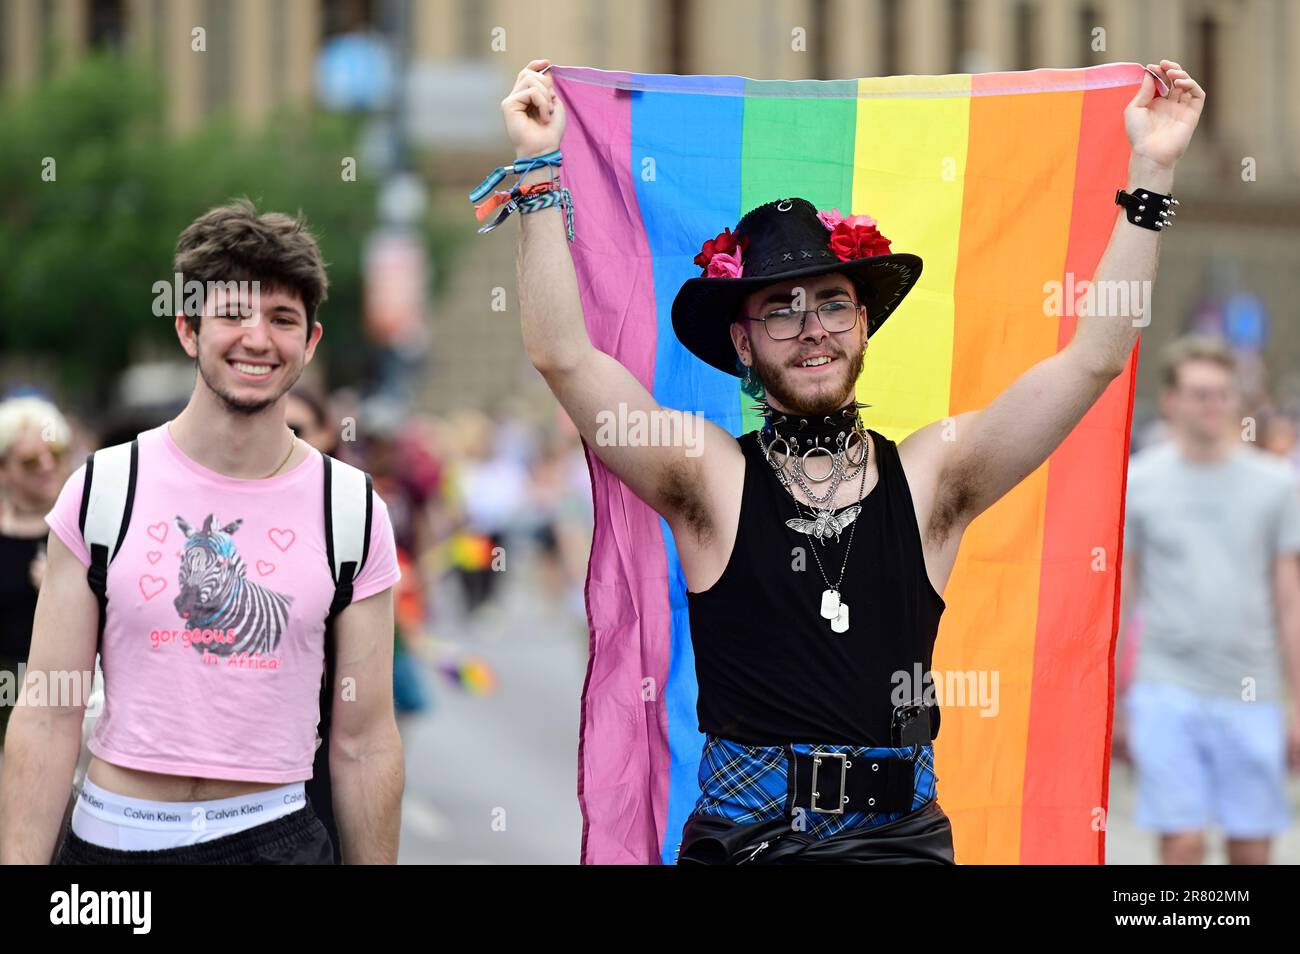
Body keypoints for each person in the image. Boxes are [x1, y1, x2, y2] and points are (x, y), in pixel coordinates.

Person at [501, 57, 1205, 862]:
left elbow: (1094, 360)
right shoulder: (706, 477)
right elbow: (561, 354)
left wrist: (1152, 169)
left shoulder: (937, 477)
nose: (813, 328)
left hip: (901, 847)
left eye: (834, 303)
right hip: (748, 844)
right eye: (780, 310)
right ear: (742, 342)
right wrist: (538, 169)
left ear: (864, 326)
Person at [0, 199, 404, 865]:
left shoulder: (350, 508)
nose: (257, 338)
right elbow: (48, 713)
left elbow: (365, 741)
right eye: (234, 314)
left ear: (310, 342)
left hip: (275, 839)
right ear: (189, 329)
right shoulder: (104, 488)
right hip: (112, 847)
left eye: (281, 319)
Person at [1116, 335, 1300, 865]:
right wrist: (1118, 701)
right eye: (1199, 393)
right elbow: (1124, 593)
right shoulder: (1140, 480)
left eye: (1223, 393)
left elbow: (1289, 599)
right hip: (1166, 683)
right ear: (1171, 399)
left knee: (1251, 844)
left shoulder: (1274, 484)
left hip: (1252, 687)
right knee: (1183, 840)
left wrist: (1296, 703)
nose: (1213, 405)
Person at [0, 397, 73, 761]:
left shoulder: (86, 531)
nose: (47, 466)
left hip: (72, 701)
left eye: (55, 452)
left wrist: (64, 592)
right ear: (3, 470)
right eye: (30, 461)